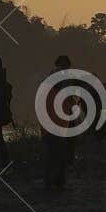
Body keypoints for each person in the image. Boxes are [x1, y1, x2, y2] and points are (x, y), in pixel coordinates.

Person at [41, 54, 82, 191]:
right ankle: (56, 182)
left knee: (54, 153)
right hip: (58, 123)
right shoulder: (64, 80)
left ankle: (54, 182)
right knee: (59, 153)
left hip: (54, 123)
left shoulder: (49, 80)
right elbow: (71, 101)